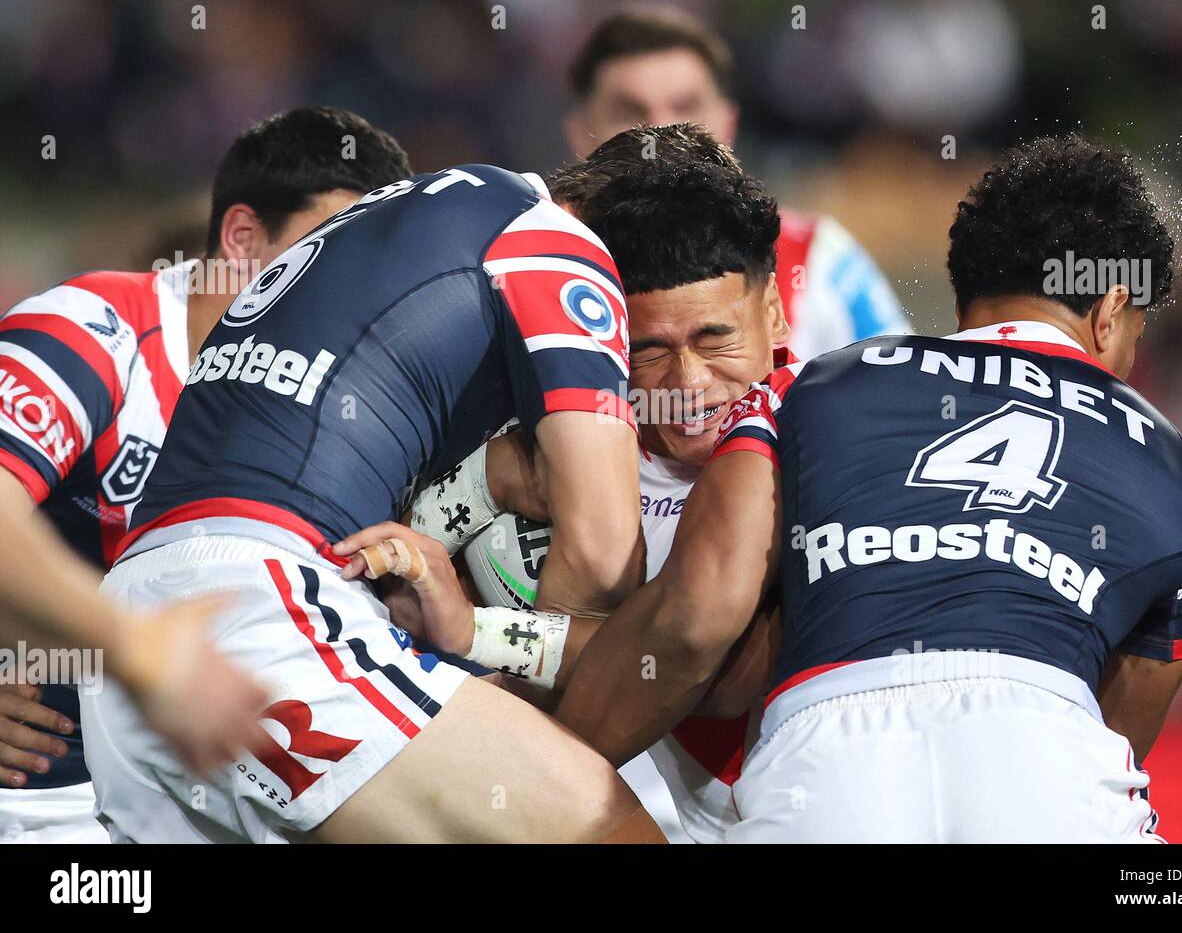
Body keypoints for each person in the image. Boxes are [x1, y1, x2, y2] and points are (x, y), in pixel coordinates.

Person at [462, 134, 1182, 842]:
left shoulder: (811, 388)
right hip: (1050, 767)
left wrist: (531, 793)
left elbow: (698, 616)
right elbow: (1122, 726)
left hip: (825, 770)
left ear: (962, 302)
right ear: (1113, 309)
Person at [74, 126, 770, 843]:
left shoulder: (398, 213)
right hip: (272, 612)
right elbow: (599, 551)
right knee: (608, 830)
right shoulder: (554, 243)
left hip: (141, 628)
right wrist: (540, 707)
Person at [337, 125, 786, 843]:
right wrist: (470, 495)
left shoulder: (812, 425)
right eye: (649, 351)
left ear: (774, 314)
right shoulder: (565, 449)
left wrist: (484, 631)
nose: (689, 385)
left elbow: (719, 672)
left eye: (715, 340)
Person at [0, 106, 408, 842]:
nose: (354, 296)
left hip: (243, 790)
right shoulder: (89, 332)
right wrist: (139, 655)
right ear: (242, 240)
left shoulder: (358, 393)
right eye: (328, 255)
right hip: (54, 800)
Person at [565, 7, 912, 358]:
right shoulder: (532, 262)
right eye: (630, 112)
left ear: (728, 124)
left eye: (685, 106)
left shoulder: (819, 259)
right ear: (579, 133)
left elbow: (904, 398)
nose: (659, 135)